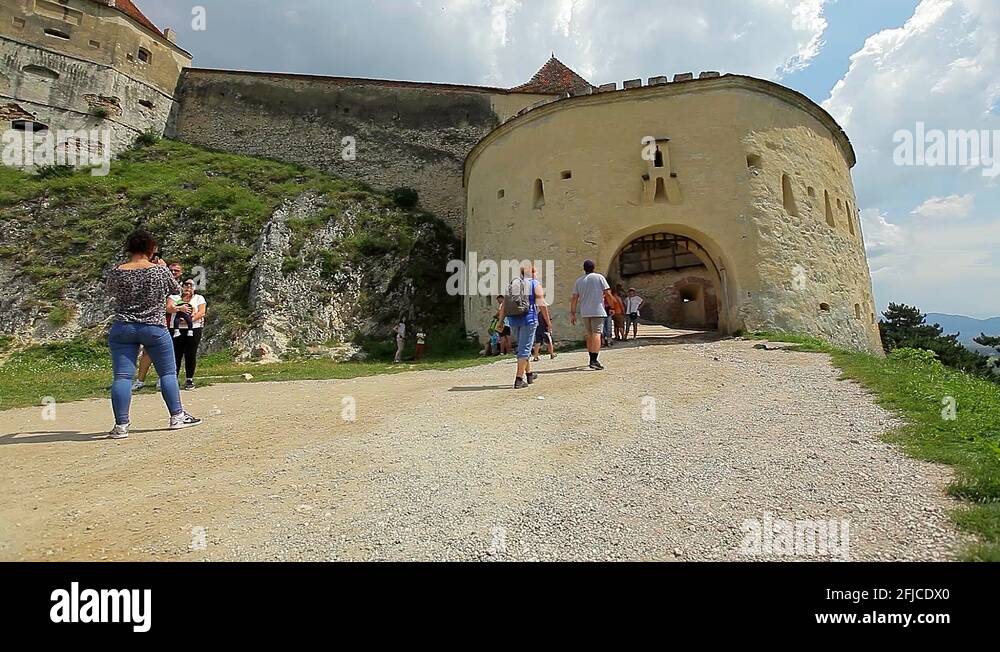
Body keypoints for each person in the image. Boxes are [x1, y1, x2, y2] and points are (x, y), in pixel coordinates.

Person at [105, 230, 201, 439]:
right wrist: (162, 268)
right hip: (153, 326)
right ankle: (177, 416)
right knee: (167, 373)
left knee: (122, 376)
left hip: (123, 326)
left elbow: (110, 290)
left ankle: (121, 425)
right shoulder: (158, 271)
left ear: (129, 248)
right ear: (151, 249)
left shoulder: (117, 270)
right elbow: (175, 289)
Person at [132, 261, 184, 391]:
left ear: (181, 272)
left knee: (168, 352)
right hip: (156, 321)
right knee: (147, 352)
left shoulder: (183, 286)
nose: (173, 273)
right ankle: (140, 380)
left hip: (174, 323)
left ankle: (163, 379)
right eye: (171, 270)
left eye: (176, 271)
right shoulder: (158, 282)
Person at [495, 264, 546, 389]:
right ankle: (519, 379)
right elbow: (541, 303)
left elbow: (504, 305)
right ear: (532, 273)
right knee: (525, 348)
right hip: (529, 319)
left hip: (513, 320)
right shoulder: (534, 284)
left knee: (523, 347)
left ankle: (529, 374)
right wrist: (547, 321)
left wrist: (500, 321)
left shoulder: (514, 284)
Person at [571, 260, 613, 371]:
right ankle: (594, 360)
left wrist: (573, 313)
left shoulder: (579, 281)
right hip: (597, 310)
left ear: (584, 268)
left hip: (585, 311)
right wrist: (612, 306)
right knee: (597, 333)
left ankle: (591, 358)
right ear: (594, 267)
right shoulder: (599, 277)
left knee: (589, 334)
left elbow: (575, 298)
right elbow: (608, 293)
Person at [168, 279, 207, 390]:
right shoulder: (174, 297)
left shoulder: (199, 298)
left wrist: (190, 320)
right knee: (176, 354)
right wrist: (180, 308)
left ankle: (189, 379)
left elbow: (202, 312)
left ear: (194, 288)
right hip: (176, 328)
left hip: (193, 328)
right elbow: (169, 308)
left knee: (191, 354)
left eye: (191, 285)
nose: (188, 287)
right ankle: (173, 379)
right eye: (186, 285)